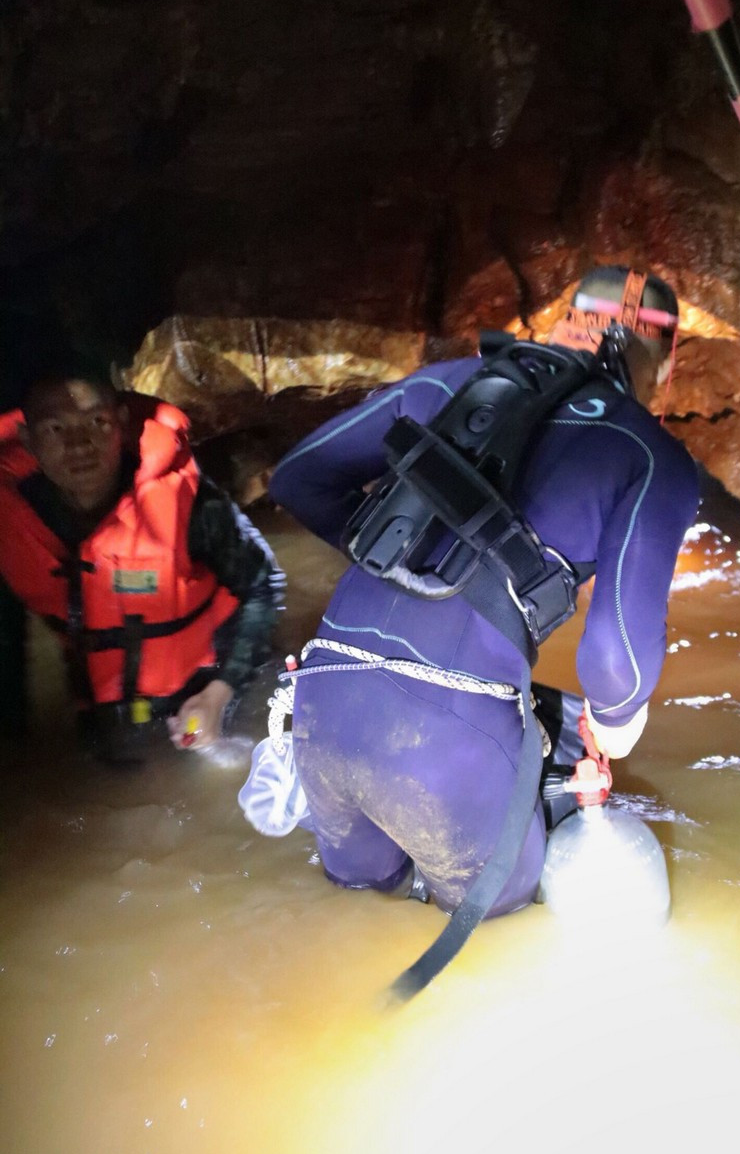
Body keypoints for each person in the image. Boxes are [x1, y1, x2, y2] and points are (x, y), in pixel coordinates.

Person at [267, 265, 699, 922]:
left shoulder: (452, 382)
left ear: (567, 321)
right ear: (662, 364)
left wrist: (387, 552)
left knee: (353, 918)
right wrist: (613, 731)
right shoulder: (647, 454)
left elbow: (299, 478)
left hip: (323, 703)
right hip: (448, 743)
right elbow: (617, 664)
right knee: (497, 929)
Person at [0, 367, 285, 762]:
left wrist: (221, 693)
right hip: (104, 708)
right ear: (28, 441)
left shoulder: (188, 501)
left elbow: (262, 585)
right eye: (55, 430)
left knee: (227, 774)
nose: (80, 444)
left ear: (120, 424)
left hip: (208, 687)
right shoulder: (11, 519)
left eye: (96, 422)